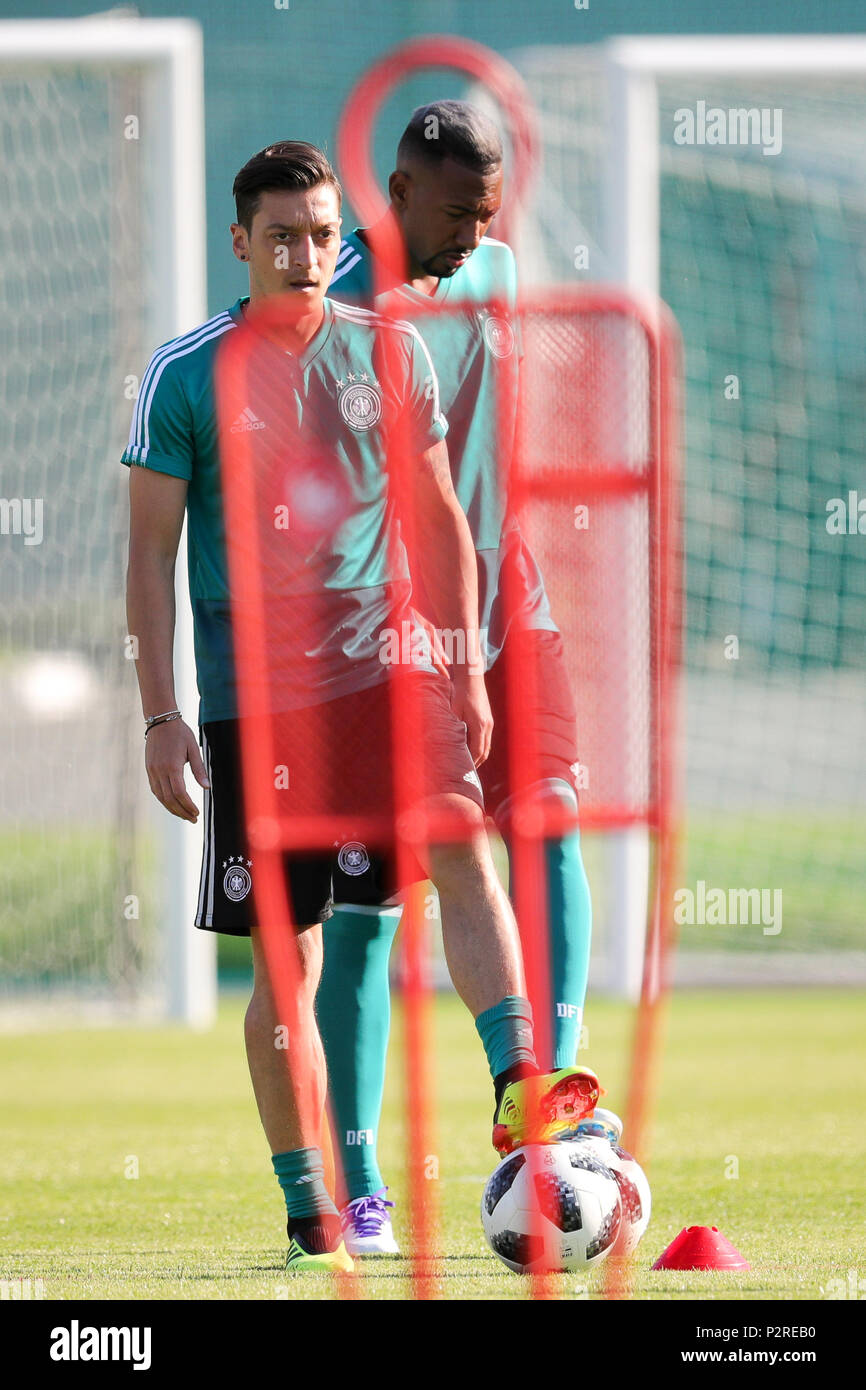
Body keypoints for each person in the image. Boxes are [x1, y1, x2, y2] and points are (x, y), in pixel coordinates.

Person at [122, 141, 599, 1274]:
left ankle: (518, 1079)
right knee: (283, 967)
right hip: (256, 710)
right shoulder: (187, 373)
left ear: (344, 241)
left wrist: (464, 669)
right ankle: (309, 1210)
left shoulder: (386, 355)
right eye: (281, 235)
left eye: (321, 236)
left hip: (384, 673)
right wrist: (159, 712)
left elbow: (434, 518)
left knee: (460, 844)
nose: (304, 255)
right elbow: (148, 557)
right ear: (239, 242)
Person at [319, 102, 602, 1256]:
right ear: (397, 189)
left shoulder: (496, 265)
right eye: (451, 211)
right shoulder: (332, 302)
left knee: (551, 820)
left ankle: (555, 1115)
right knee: (371, 905)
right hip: (380, 630)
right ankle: (357, 1177)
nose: (470, 231)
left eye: (486, 211)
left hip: (504, 604)